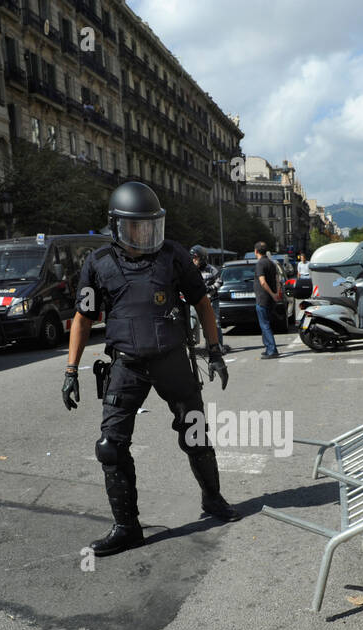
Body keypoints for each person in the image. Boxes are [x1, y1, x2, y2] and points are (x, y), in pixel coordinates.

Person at [62, 181, 239, 557]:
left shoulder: (173, 256)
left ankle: (214, 500)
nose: (144, 234)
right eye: (135, 227)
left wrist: (215, 350)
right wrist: (70, 370)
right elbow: (82, 318)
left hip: (172, 359)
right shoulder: (97, 265)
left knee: (195, 435)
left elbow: (203, 303)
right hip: (126, 364)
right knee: (110, 447)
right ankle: (127, 528)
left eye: (149, 226)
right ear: (116, 226)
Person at [189, 245, 229, 354]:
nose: (193, 260)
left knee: (215, 323)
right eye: (192, 257)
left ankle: (218, 347)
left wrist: (211, 288)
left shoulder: (211, 269)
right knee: (192, 322)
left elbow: (220, 281)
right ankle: (194, 347)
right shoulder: (190, 270)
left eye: (196, 257)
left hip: (212, 301)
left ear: (202, 258)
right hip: (196, 302)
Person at [253, 241, 283, 358]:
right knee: (266, 324)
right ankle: (268, 347)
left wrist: (271, 293)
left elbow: (262, 282)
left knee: (265, 325)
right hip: (270, 299)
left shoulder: (260, 264)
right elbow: (277, 280)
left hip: (263, 298)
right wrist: (276, 293)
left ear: (256, 251)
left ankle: (272, 350)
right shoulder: (271, 263)